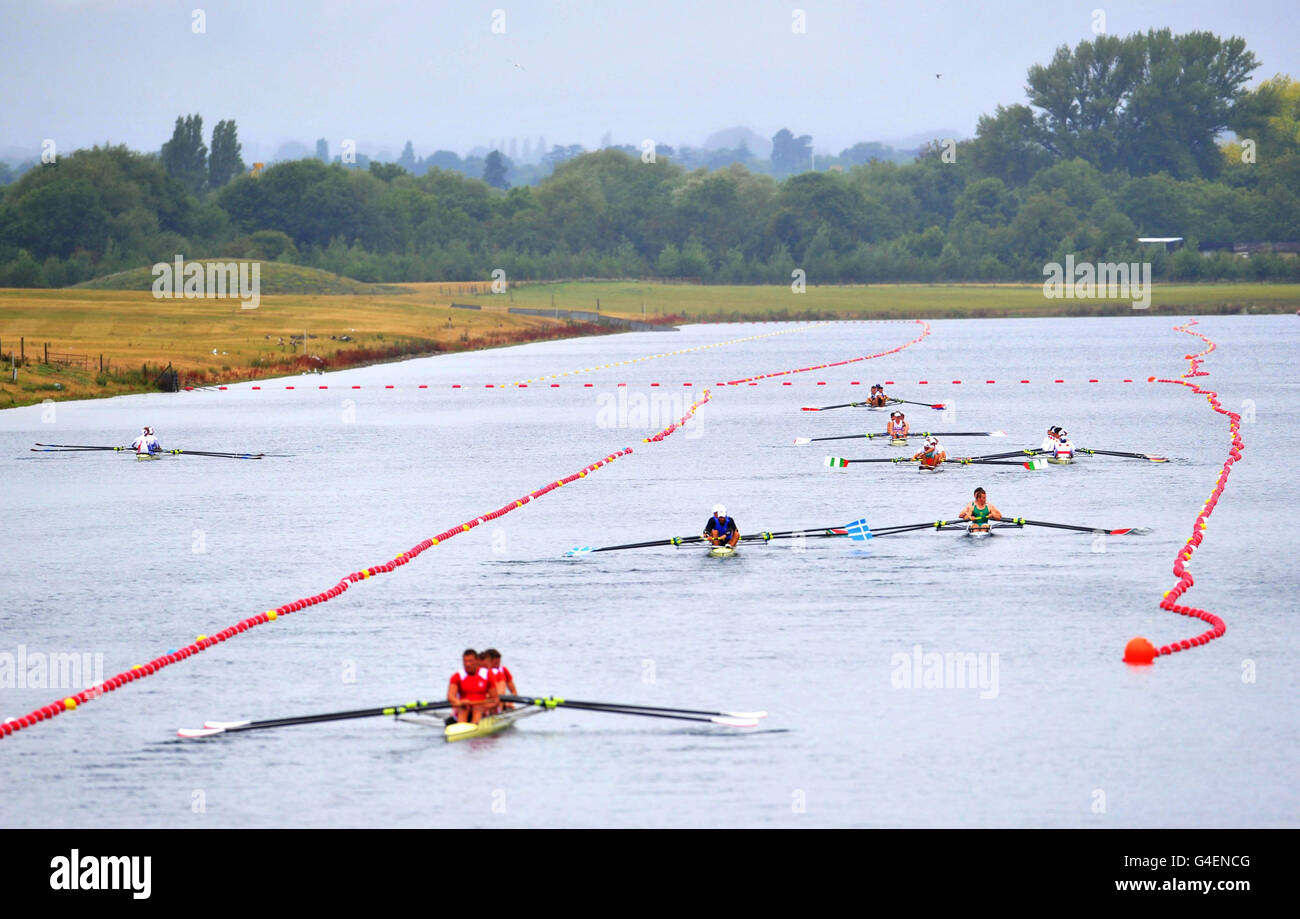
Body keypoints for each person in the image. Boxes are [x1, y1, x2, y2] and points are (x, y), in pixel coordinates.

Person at [447, 648, 498, 725]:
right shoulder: (457, 676)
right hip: (464, 707)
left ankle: (474, 726)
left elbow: (495, 700)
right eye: (465, 661)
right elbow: (450, 697)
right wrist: (460, 702)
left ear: (477, 661)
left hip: (480, 709)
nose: (467, 664)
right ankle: (460, 728)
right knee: (464, 708)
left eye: (470, 661)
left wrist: (485, 707)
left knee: (477, 708)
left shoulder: (487, 675)